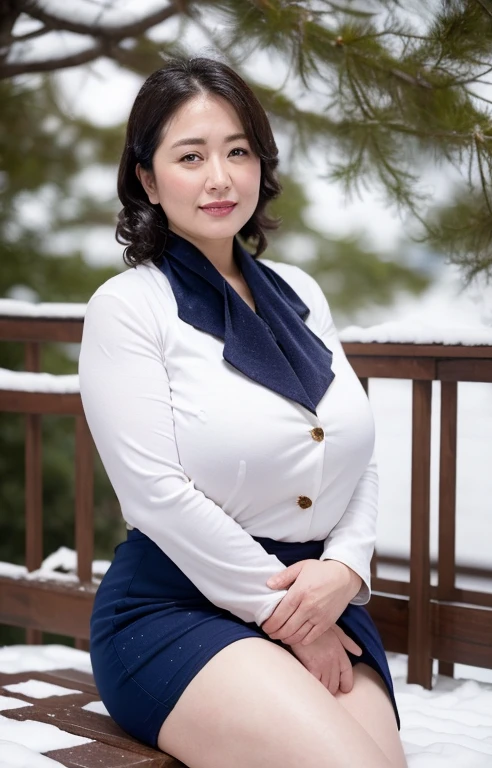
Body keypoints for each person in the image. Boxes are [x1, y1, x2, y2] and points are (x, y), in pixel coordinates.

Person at [78, 55, 407, 768]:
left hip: (321, 595)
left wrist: (346, 570)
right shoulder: (130, 306)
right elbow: (155, 497)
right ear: (146, 178)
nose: (220, 177)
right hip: (180, 604)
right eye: (190, 156)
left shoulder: (300, 292)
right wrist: (288, 618)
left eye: (238, 151)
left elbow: (354, 453)